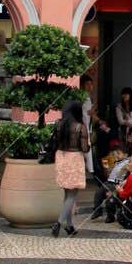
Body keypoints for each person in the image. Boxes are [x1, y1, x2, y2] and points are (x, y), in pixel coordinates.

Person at [51, 99, 90, 237]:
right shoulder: (80, 127)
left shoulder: (58, 124)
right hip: (74, 158)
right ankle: (59, 223)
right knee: (72, 194)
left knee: (67, 193)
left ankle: (70, 225)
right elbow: (85, 148)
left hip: (61, 157)